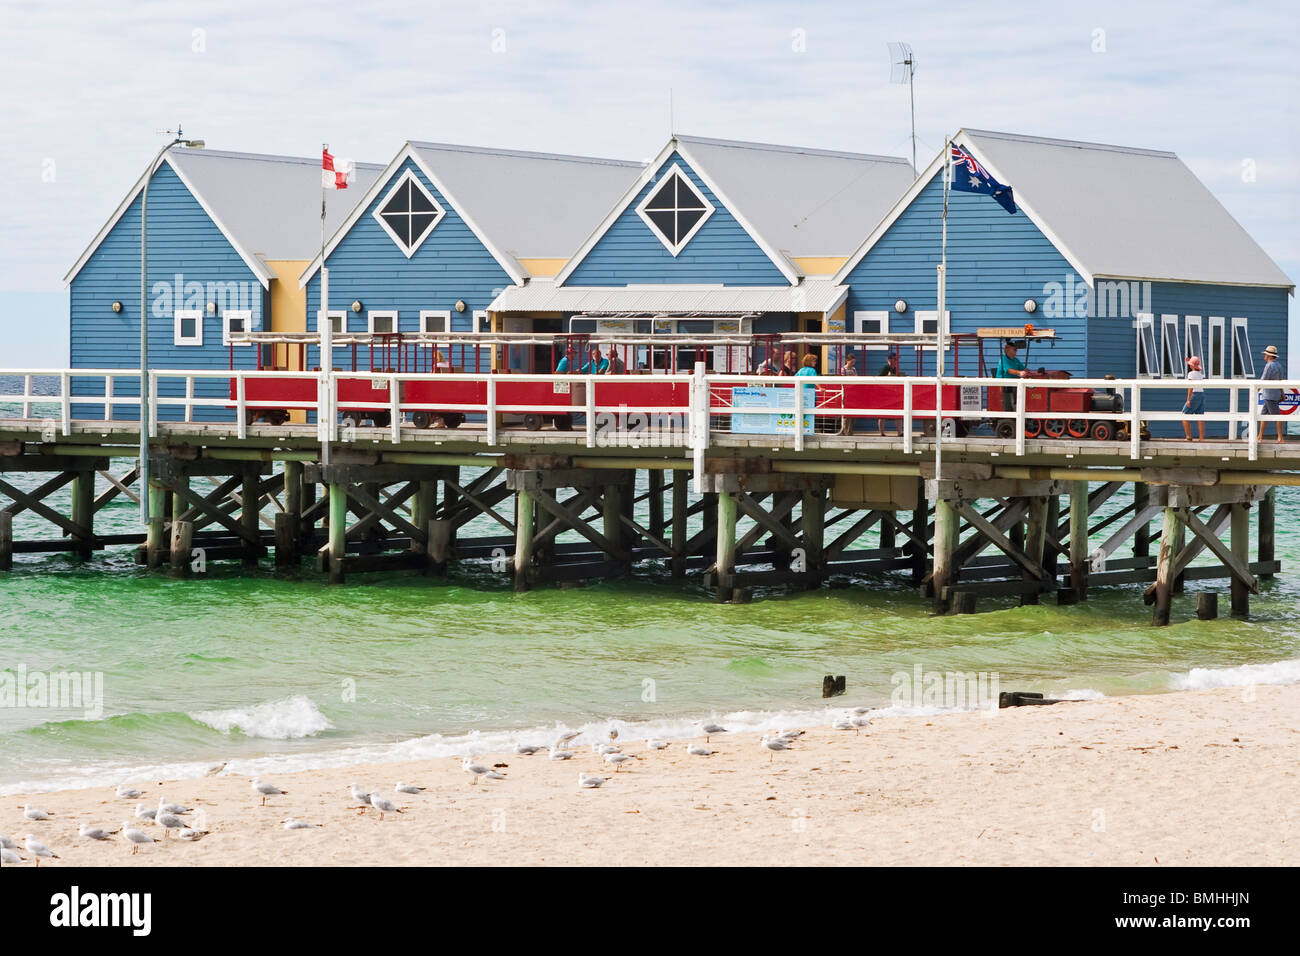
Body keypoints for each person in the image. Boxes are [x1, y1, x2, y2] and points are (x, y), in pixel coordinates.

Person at [1258, 345, 1286, 443]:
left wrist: (1256, 388)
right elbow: (1280, 380)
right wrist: (1282, 393)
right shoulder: (1278, 365)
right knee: (1263, 415)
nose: (1264, 356)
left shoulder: (1269, 365)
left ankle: (1280, 438)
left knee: (1276, 416)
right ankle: (1260, 436)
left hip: (1269, 395)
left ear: (1269, 356)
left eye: (1265, 354)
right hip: (1275, 394)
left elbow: (1263, 378)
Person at [995, 339, 1029, 413]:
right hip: (1004, 385)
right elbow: (1009, 370)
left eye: (1016, 350)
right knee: (1016, 388)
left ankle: (1022, 408)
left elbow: (1023, 369)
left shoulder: (1015, 360)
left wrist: (1027, 371)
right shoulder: (1003, 359)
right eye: (1014, 350)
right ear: (1007, 349)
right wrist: (1020, 373)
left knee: (1025, 387)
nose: (1016, 352)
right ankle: (1016, 408)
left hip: (1013, 384)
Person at [1182, 355, 1205, 441]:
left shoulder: (1191, 374)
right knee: (1200, 417)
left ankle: (1188, 436)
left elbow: (1190, 387)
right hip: (1201, 394)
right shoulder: (1200, 374)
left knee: (1184, 415)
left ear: (1191, 365)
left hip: (1194, 394)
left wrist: (1188, 399)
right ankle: (1201, 438)